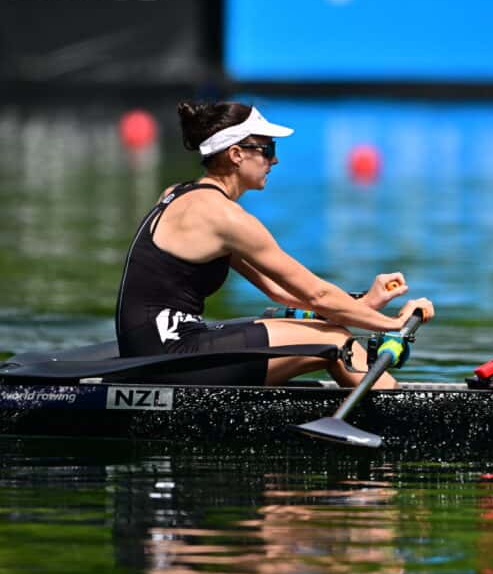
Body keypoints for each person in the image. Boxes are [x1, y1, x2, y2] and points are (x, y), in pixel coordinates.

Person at [115, 101, 434, 388]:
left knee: (305, 325)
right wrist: (393, 324)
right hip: (169, 355)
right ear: (236, 154)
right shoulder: (226, 218)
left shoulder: (179, 193)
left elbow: (280, 291)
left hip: (152, 348)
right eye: (267, 149)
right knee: (337, 342)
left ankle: (384, 401)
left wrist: (365, 302)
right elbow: (318, 295)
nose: (275, 159)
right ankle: (397, 416)